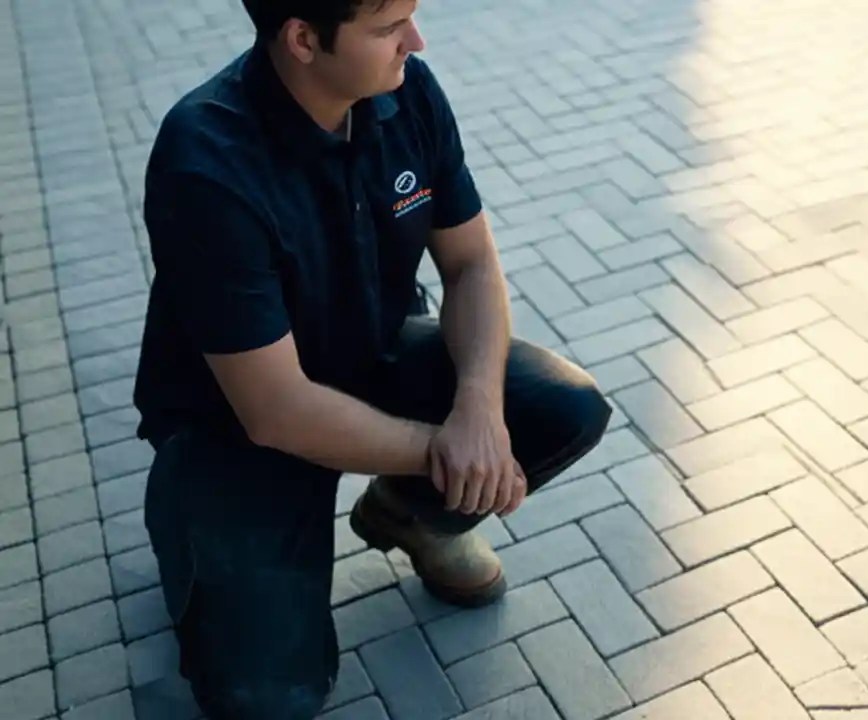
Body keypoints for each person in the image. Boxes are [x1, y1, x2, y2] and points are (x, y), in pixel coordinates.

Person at [131, 0, 612, 717]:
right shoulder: (205, 160)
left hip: (374, 351)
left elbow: (472, 263)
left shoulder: (404, 90)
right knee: (268, 697)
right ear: (301, 38)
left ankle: (406, 516)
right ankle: (187, 521)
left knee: (562, 407)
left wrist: (476, 413)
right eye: (390, 28)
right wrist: (446, 453)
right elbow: (276, 410)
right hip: (239, 423)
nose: (415, 41)